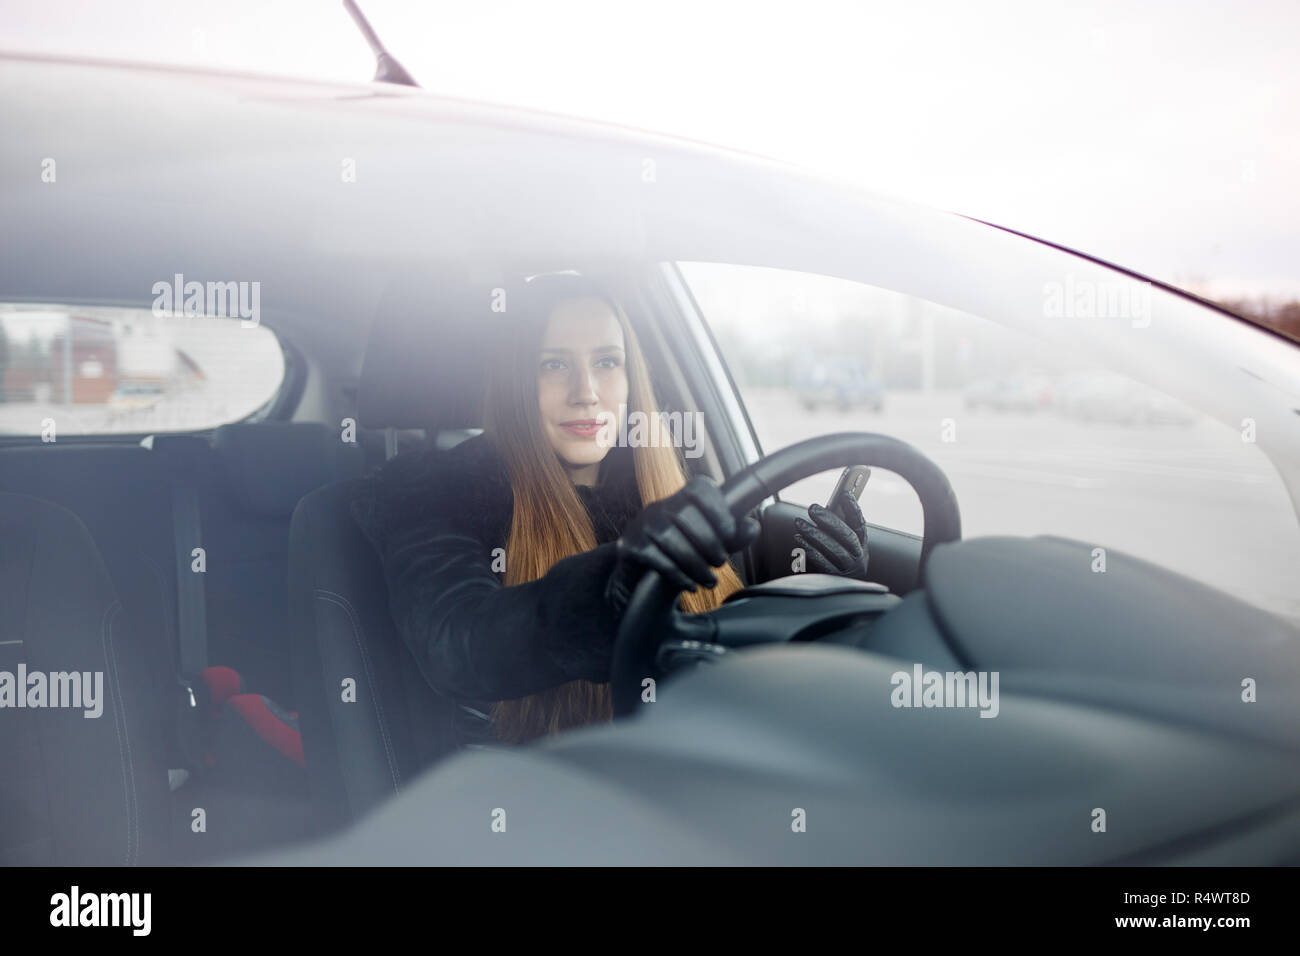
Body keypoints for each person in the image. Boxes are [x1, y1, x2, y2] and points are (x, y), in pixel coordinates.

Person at [351, 273, 868, 746]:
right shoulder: (437, 491)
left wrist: (821, 591)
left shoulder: (663, 484)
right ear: (515, 382)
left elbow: (721, 643)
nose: (586, 393)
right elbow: (460, 642)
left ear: (630, 378)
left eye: (606, 362)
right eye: (553, 365)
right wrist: (605, 592)